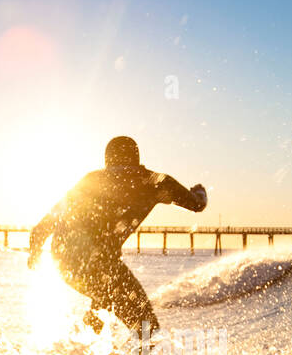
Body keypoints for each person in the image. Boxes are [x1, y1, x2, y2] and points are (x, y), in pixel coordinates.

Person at [28, 136, 207, 334]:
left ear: (108, 159)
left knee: (103, 301)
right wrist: (199, 193)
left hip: (65, 262)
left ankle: (82, 352)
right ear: (136, 157)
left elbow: (50, 219)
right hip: (103, 264)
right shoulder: (154, 181)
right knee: (146, 328)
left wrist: (35, 250)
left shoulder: (91, 180)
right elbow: (196, 205)